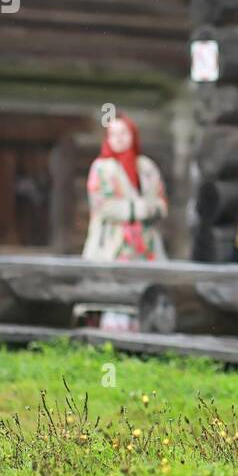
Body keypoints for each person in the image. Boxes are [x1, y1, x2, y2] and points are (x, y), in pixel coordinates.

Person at [81, 113, 169, 331]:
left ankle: (145, 337)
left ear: (133, 135)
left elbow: (161, 201)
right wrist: (140, 208)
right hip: (113, 243)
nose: (119, 138)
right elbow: (103, 205)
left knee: (146, 288)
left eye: (124, 133)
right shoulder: (102, 168)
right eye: (113, 134)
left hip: (145, 245)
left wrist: (152, 208)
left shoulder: (146, 167)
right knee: (113, 290)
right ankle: (111, 340)